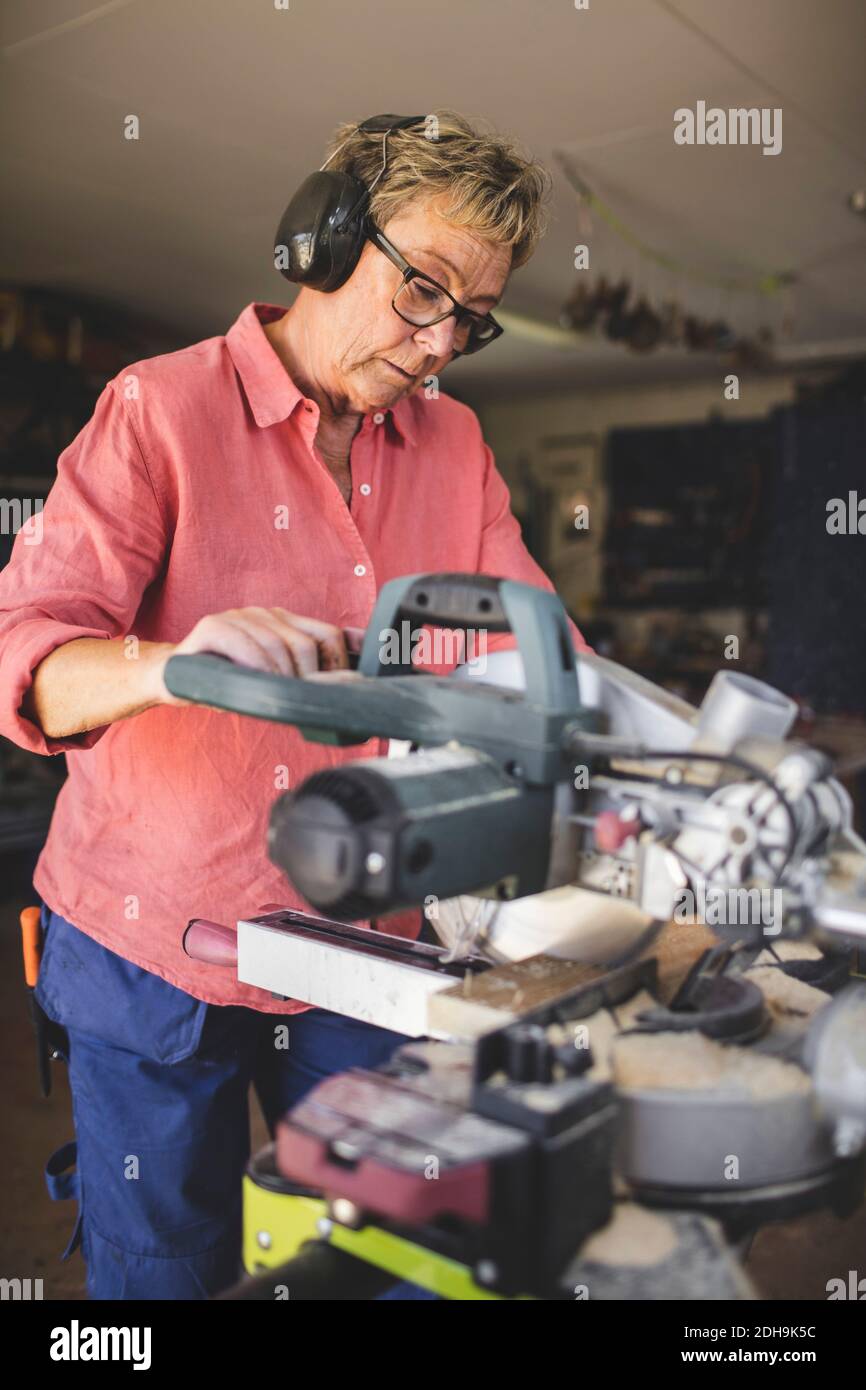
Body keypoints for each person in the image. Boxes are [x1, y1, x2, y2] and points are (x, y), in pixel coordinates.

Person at [0, 109, 588, 1299]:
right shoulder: (158, 409)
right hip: (150, 945)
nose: (437, 345)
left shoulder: (454, 442)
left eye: (468, 321)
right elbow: (27, 654)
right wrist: (174, 659)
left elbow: (539, 648)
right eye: (421, 290)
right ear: (320, 239)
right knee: (164, 1270)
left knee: (387, 1248)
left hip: (361, 949)